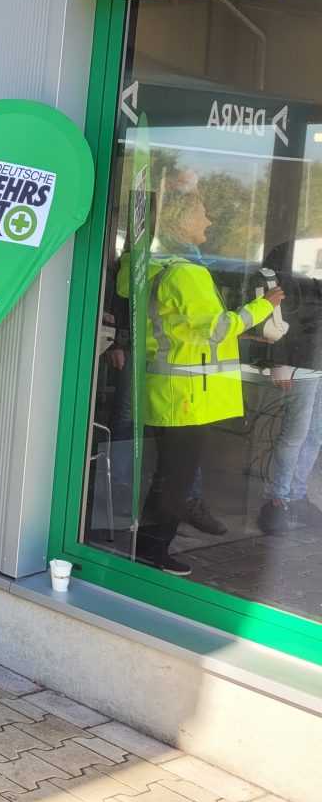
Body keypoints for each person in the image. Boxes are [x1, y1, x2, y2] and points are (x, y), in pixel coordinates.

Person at [133, 189, 281, 574]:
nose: (210, 222)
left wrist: (242, 333)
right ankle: (156, 554)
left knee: (166, 475)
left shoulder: (153, 265)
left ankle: (144, 547)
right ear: (183, 222)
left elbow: (181, 327)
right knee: (176, 481)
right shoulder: (189, 272)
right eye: (203, 215)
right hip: (187, 396)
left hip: (164, 388)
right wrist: (264, 307)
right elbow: (217, 329)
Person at [258, 242, 322, 533]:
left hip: (314, 357)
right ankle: (277, 500)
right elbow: (275, 313)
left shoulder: (309, 252)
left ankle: (294, 495)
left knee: (314, 436)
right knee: (296, 433)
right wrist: (278, 360)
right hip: (301, 359)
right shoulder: (292, 252)